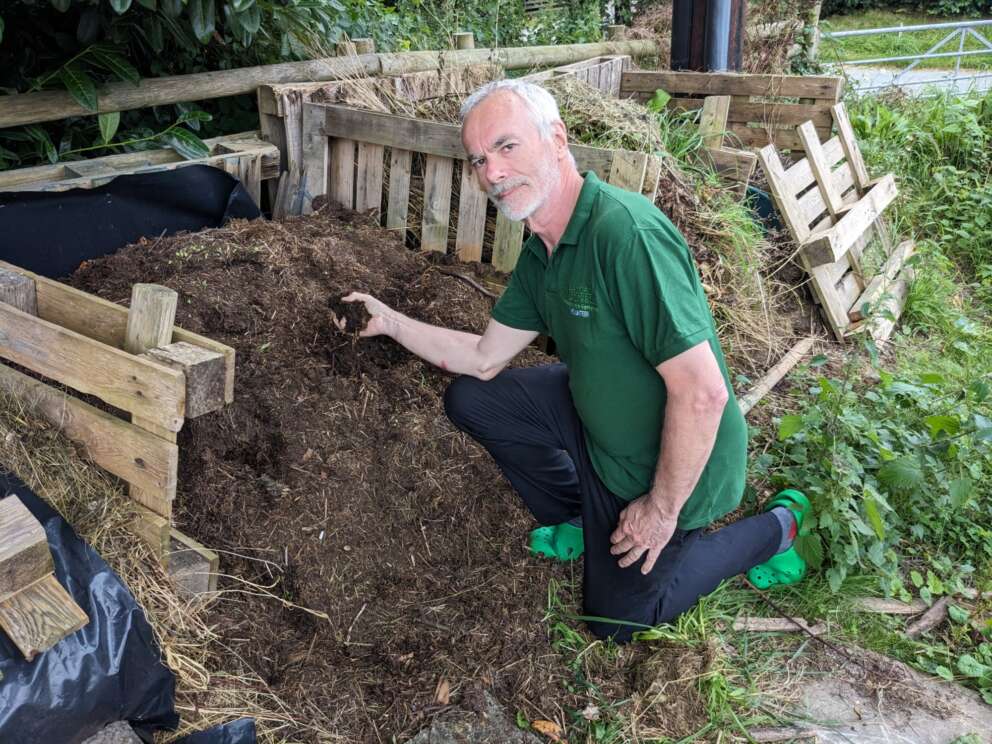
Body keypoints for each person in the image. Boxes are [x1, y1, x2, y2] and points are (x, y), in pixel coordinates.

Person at [342, 80, 811, 642]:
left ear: (558, 139)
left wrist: (659, 511)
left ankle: (777, 529)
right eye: (478, 159)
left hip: (673, 466)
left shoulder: (624, 234)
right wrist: (388, 321)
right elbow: (484, 357)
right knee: (473, 399)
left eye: (507, 146)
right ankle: (584, 514)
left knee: (614, 624)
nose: (491, 172)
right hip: (601, 431)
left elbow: (703, 394)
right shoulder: (543, 249)